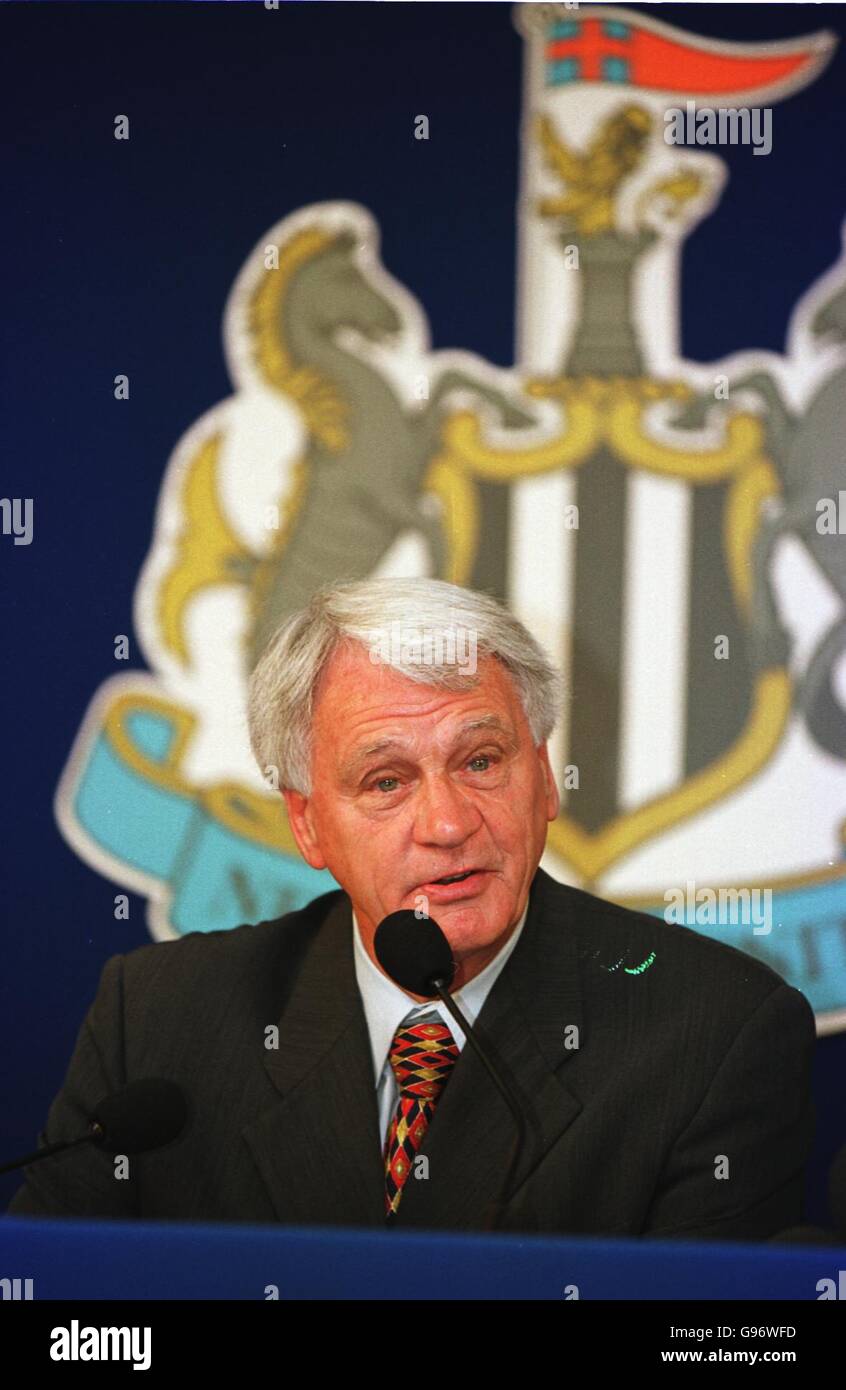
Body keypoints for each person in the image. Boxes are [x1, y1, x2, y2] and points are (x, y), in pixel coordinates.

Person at [6, 577, 815, 1237]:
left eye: (482, 760)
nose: (449, 823)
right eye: (386, 780)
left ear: (542, 779)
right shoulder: (158, 1020)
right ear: (308, 823)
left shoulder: (713, 1035)